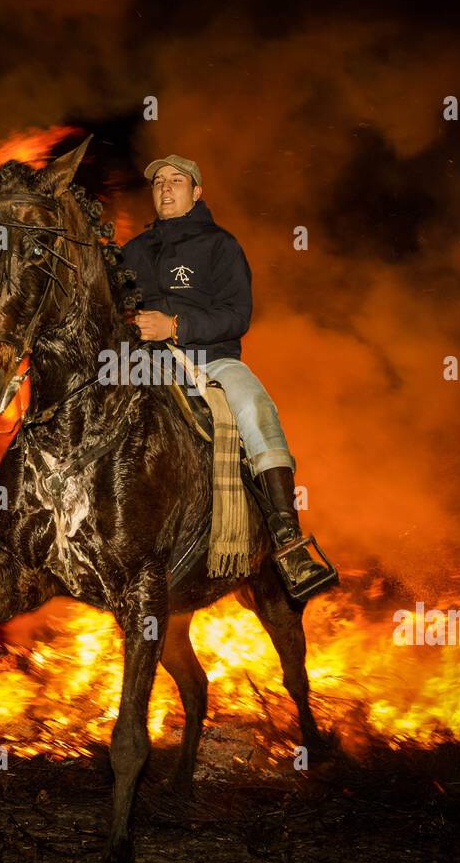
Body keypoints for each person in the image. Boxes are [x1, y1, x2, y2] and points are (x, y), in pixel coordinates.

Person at [121, 154, 337, 603]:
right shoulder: (132, 252)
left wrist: (174, 326)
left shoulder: (220, 246)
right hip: (140, 365)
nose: (165, 187)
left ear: (196, 192)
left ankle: (287, 538)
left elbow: (237, 315)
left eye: (176, 180)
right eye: (159, 181)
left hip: (209, 363)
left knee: (255, 407)